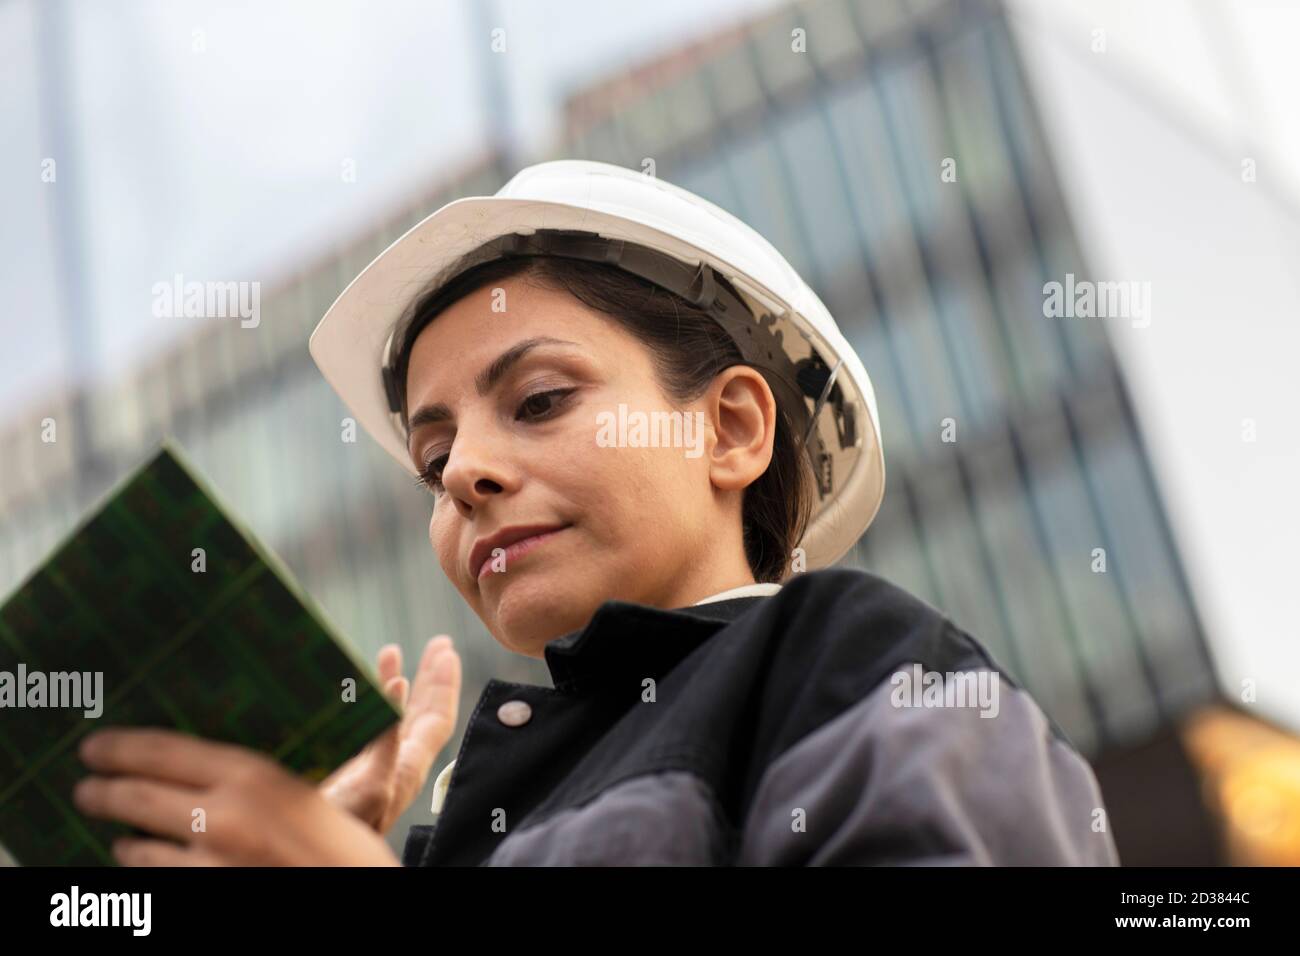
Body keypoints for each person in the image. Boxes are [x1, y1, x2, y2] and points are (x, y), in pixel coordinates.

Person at [73, 161, 1119, 866]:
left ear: (730, 430)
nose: (463, 475)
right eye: (432, 461)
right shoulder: (452, 834)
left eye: (538, 399)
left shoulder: (856, 661)